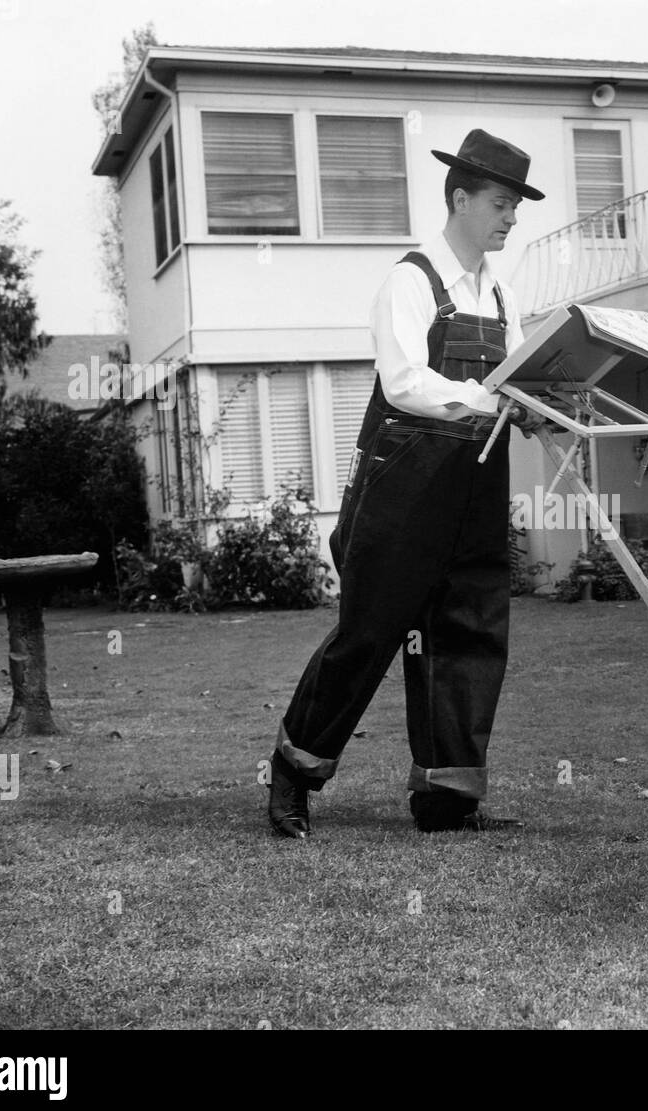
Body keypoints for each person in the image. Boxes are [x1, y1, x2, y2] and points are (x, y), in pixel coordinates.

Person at [267, 129, 546, 839]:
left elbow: (518, 383)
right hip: (402, 487)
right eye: (500, 202)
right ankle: (293, 775)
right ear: (460, 198)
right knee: (369, 635)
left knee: (469, 634)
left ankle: (446, 798)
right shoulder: (410, 282)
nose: (510, 218)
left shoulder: (505, 297)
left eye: (515, 206)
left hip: (475, 484)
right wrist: (496, 402)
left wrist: (548, 410)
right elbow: (406, 384)